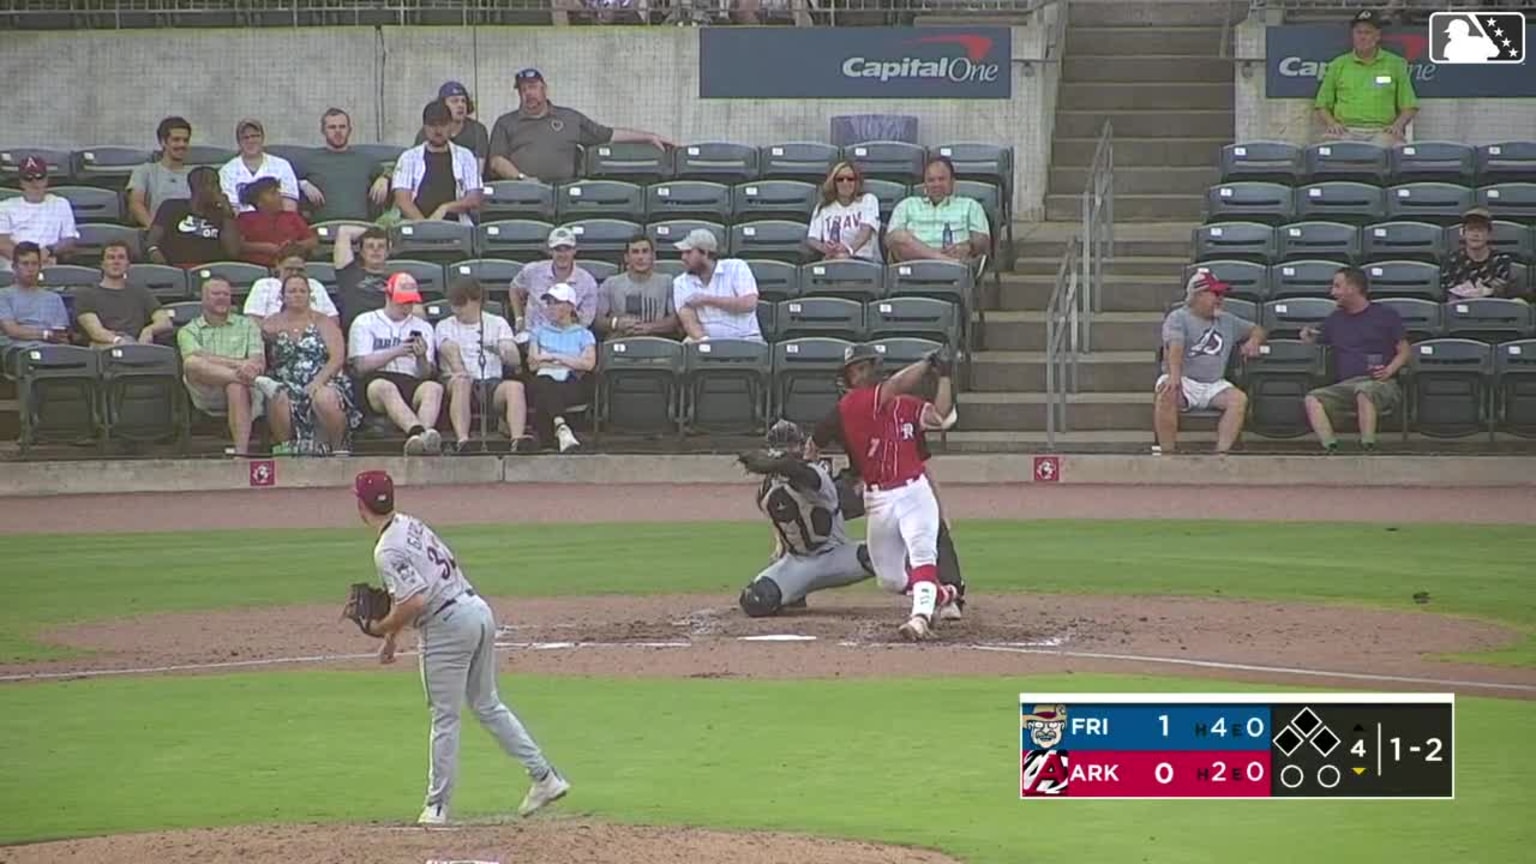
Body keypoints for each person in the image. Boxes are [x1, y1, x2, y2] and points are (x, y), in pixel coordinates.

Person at [350, 469, 570, 826]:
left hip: (447, 626)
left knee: (445, 717)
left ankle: (436, 807)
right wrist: (392, 641)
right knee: (487, 704)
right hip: (477, 612)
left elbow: (414, 602)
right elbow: (408, 591)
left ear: (361, 505)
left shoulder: (385, 550)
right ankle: (545, 777)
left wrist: (381, 626)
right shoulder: (410, 524)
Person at [815, 343, 960, 641]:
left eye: (866, 366)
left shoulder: (906, 405)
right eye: (857, 369)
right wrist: (927, 363)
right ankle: (942, 594)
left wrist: (944, 376)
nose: (863, 372)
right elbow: (895, 384)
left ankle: (919, 619)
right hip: (879, 499)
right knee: (890, 579)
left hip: (914, 492)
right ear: (849, 378)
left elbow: (941, 416)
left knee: (922, 553)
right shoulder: (853, 405)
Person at [735, 420, 875, 618]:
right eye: (780, 446)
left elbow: (799, 473)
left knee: (890, 556)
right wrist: (779, 558)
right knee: (755, 600)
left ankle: (927, 595)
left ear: (801, 447)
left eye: (791, 445)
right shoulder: (765, 493)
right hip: (799, 563)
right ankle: (795, 594)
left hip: (839, 557)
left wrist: (777, 464)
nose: (786, 450)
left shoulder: (816, 475)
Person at [486, 67, 671, 183]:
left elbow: (606, 134)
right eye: (523, 89)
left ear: (544, 89)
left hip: (566, 189)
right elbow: (496, 161)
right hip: (523, 190)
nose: (528, 93)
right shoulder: (506, 123)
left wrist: (648, 136)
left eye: (533, 87)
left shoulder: (569, 118)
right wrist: (522, 179)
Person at [1155, 270, 1265, 456]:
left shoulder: (1227, 320)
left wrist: (1254, 340)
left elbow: (1258, 329)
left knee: (1238, 399)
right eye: (1215, 294)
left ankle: (1220, 455)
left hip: (1214, 383)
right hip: (1185, 379)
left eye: (1221, 294)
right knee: (1166, 393)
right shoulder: (1178, 317)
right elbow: (1175, 347)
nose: (1220, 299)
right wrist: (1175, 376)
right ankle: (1168, 454)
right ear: (1197, 295)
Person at [1300, 266, 1410, 454]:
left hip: (1381, 383)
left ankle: (1367, 446)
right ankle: (1330, 447)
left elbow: (1405, 351)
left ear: (1353, 288)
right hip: (1346, 386)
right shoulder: (1334, 320)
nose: (1332, 292)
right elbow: (1316, 337)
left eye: (1337, 286)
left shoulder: (1385, 315)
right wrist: (1307, 334)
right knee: (1312, 398)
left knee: (1364, 390)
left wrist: (1389, 370)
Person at [260, 272, 361, 455]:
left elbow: (337, 357)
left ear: (309, 295)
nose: (297, 294)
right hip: (284, 380)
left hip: (323, 378)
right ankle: (286, 449)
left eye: (302, 291)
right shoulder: (270, 324)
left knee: (324, 398)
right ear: (282, 296)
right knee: (275, 394)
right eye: (292, 291)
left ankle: (339, 447)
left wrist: (318, 382)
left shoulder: (323, 322)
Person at [348, 273, 445, 456]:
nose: (406, 307)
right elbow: (360, 366)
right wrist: (397, 351)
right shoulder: (365, 321)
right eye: (401, 302)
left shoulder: (423, 326)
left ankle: (419, 442)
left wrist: (421, 357)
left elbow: (424, 374)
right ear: (388, 296)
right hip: (375, 382)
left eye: (410, 302)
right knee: (386, 387)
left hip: (410, 380)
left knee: (434, 388)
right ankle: (418, 433)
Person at [435, 278, 531, 453]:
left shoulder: (498, 322)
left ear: (476, 301)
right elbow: (448, 349)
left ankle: (517, 439)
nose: (456, 309)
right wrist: (460, 370)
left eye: (461, 304)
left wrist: (505, 349)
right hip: (459, 381)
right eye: (454, 304)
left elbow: (515, 360)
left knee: (515, 387)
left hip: (491, 382)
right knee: (461, 382)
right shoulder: (445, 325)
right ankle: (463, 440)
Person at [176, 276, 266, 457]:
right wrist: (240, 365)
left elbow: (258, 361)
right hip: (208, 391)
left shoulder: (247, 325)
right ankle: (248, 380)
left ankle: (241, 454)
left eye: (226, 294)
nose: (222, 297)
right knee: (192, 363)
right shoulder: (189, 330)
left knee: (235, 387)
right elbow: (196, 359)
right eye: (216, 293)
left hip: (245, 389)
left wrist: (250, 367)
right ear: (203, 299)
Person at [1313, 10, 1418, 147]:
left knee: (1386, 147)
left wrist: (1397, 126)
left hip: (1382, 131)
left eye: (1367, 32)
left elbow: (1409, 106)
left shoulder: (1395, 64)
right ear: (1353, 35)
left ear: (1378, 35)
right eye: (1358, 32)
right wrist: (1332, 124)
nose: (1362, 37)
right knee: (1327, 145)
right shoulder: (1338, 64)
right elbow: (1321, 105)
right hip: (1345, 130)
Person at [527, 282, 597, 453]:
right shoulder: (539, 332)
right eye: (549, 303)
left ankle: (548, 443)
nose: (550, 307)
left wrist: (553, 356)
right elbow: (533, 363)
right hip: (545, 379)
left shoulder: (583, 334)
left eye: (556, 303)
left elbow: (588, 364)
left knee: (544, 394)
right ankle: (562, 426)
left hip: (570, 382)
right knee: (544, 382)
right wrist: (572, 360)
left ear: (569, 306)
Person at [885, 156, 990, 264]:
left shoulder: (970, 206)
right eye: (931, 180)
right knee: (899, 236)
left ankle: (943, 261)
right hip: (916, 264)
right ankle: (943, 260)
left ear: (952, 182)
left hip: (955, 268)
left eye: (941, 179)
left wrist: (968, 246)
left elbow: (983, 242)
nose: (936, 185)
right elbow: (890, 240)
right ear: (924, 184)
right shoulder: (907, 205)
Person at [671, 228, 762, 343]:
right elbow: (688, 320)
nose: (683, 257)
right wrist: (707, 342)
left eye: (688, 252)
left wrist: (707, 300)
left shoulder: (737, 267)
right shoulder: (680, 282)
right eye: (683, 253)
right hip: (706, 342)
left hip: (745, 337)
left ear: (705, 253)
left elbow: (749, 304)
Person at [146, 166, 242, 269]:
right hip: (176, 269)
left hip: (213, 270)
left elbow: (233, 252)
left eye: (217, 184)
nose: (218, 189)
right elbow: (152, 240)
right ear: (198, 187)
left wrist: (227, 213)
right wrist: (154, 253)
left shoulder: (221, 214)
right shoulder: (171, 207)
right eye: (212, 185)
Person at [0, 156, 78, 272]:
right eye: (28, 178)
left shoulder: (61, 203)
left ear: (46, 180)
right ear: (21, 182)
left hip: (48, 263)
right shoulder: (5, 206)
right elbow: (2, 242)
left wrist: (49, 250)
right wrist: (29, 262)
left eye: (39, 177)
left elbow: (70, 239)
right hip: (15, 266)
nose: (34, 183)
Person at [806, 161, 882, 263]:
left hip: (863, 259)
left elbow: (865, 231)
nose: (845, 183)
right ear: (833, 183)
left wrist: (848, 250)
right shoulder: (823, 207)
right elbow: (812, 238)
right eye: (840, 179)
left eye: (850, 179)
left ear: (857, 182)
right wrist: (824, 248)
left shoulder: (868, 200)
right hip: (832, 258)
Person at [236, 177, 316, 268]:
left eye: (278, 192)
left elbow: (312, 240)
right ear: (258, 201)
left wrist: (294, 246)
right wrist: (265, 248)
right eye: (273, 193)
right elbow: (239, 245)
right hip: (256, 267)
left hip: (292, 265)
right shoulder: (245, 218)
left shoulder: (292, 217)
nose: (279, 196)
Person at [415, 82, 491, 173]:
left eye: (463, 101)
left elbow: (478, 170)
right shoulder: (428, 131)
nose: (460, 105)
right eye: (454, 101)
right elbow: (417, 163)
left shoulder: (477, 130)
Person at [1443, 207, 1515, 299]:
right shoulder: (1452, 260)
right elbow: (1449, 293)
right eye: (1471, 229)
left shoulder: (1501, 260)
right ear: (1463, 233)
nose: (1475, 234)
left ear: (1489, 234)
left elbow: (1503, 291)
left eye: (1480, 230)